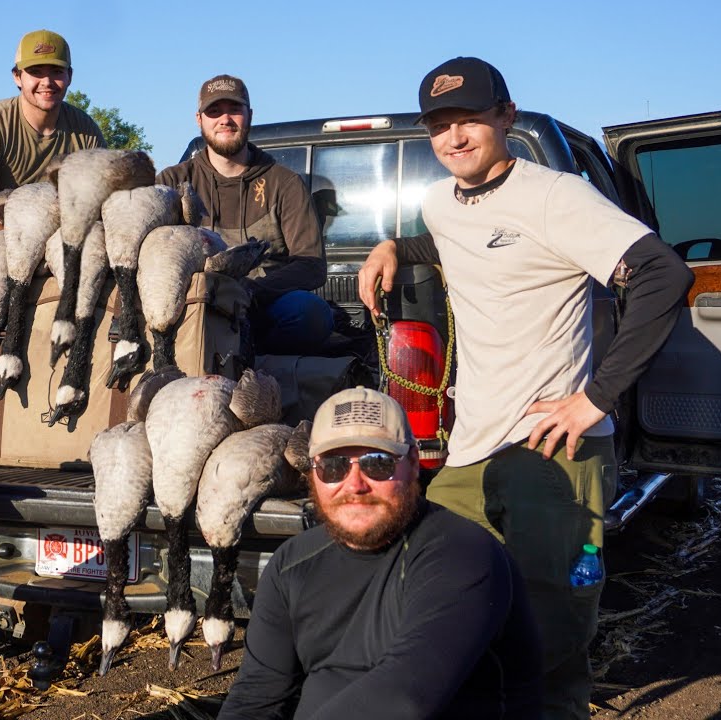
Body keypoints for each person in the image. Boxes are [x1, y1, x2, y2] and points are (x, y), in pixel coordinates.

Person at [356, 57, 694, 719]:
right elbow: (457, 239)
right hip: (471, 452)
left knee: (554, 636)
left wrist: (595, 398)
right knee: (452, 610)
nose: (454, 137)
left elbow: (664, 276)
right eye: (440, 125)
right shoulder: (439, 203)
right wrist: (394, 245)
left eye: (470, 120)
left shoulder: (555, 196)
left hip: (555, 454)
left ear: (505, 117)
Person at [220, 387, 541, 719]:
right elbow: (256, 696)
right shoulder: (291, 563)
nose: (355, 484)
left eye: (378, 464)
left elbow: (403, 698)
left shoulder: (464, 556)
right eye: (333, 466)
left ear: (414, 464)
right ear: (312, 475)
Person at [157, 74, 333, 356]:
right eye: (214, 111)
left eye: (234, 109)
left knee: (311, 314)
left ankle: (247, 361)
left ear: (250, 115)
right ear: (199, 119)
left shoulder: (284, 183)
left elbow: (311, 265)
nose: (224, 119)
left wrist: (249, 291)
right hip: (192, 307)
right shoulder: (170, 181)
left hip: (259, 309)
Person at [0, 28, 105, 233]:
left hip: (58, 240)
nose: (47, 82)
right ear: (17, 77)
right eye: (35, 72)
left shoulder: (87, 133)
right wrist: (29, 251)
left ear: (69, 76)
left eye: (56, 71)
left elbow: (96, 211)